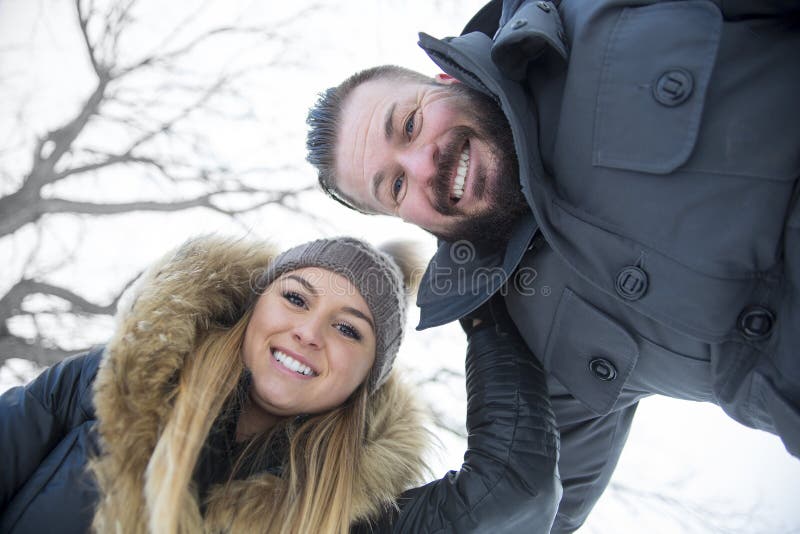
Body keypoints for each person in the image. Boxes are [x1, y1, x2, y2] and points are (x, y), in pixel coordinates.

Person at [305, 1, 800, 531]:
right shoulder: (526, 332)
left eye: (409, 123)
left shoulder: (593, 13)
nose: (425, 163)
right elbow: (536, 506)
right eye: (396, 186)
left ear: (445, 77)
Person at [0, 234, 560, 533]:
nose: (308, 332)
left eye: (347, 329)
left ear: (366, 380)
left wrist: (482, 312)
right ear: (253, 308)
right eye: (294, 298)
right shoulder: (108, 382)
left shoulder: (350, 516)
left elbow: (516, 491)